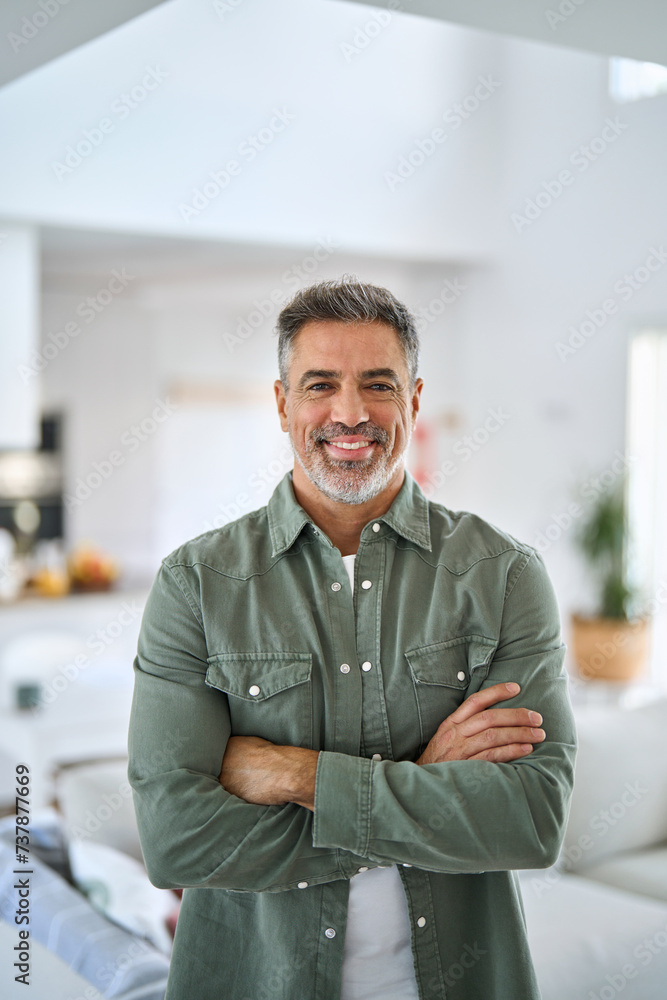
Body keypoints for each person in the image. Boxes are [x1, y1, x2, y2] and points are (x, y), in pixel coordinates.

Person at [128, 276, 577, 1000]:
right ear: (281, 404)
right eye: (319, 385)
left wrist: (299, 777)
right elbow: (177, 839)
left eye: (377, 384)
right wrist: (426, 782)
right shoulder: (196, 583)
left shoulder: (502, 575)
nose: (349, 413)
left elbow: (528, 820)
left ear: (414, 399)